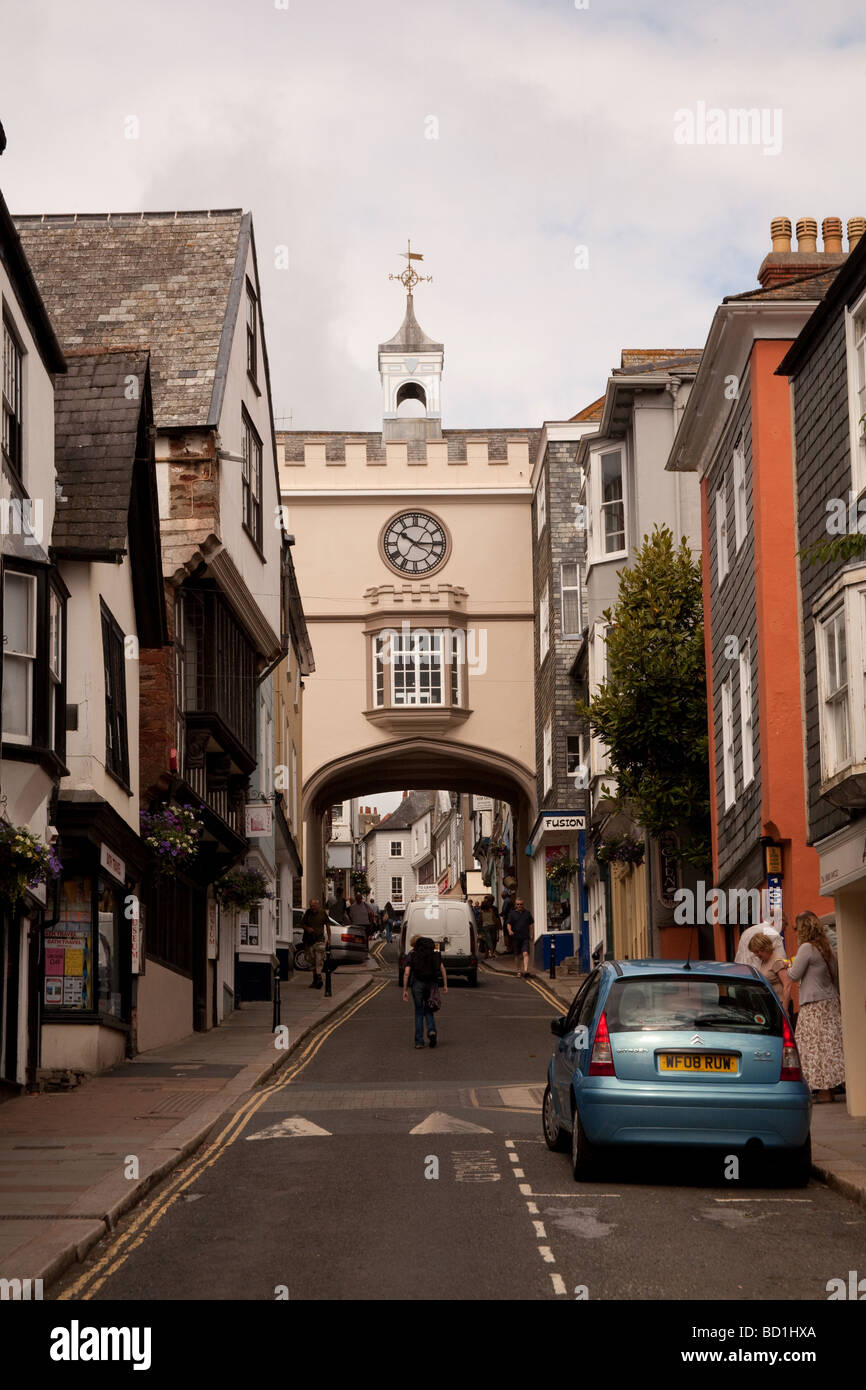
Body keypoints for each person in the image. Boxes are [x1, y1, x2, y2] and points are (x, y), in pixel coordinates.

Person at [787, 910, 845, 1103]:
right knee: (830, 1047)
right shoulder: (826, 948)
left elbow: (794, 975)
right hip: (831, 1002)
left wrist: (785, 964)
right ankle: (828, 1089)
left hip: (814, 1005)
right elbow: (835, 976)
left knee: (813, 1049)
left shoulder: (806, 948)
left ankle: (824, 1091)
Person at [403, 935, 447, 1048]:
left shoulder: (412, 954)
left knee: (418, 1012)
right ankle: (431, 1030)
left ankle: (419, 1041)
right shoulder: (434, 952)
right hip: (432, 983)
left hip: (417, 984)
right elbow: (442, 968)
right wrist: (445, 985)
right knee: (429, 1009)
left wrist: (405, 989)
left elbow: (407, 972)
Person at [748, 931, 791, 1009]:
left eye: (757, 951)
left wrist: (785, 1008)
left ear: (765, 947)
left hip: (780, 1004)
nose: (757, 955)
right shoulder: (763, 961)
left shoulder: (776, 961)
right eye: (755, 952)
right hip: (771, 1003)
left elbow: (787, 985)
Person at [300, 897, 330, 989]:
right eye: (311, 906)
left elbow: (328, 926)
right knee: (311, 961)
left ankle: (319, 978)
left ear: (318, 905)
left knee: (319, 960)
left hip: (319, 940)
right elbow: (302, 924)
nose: (312, 907)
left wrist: (329, 939)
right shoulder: (308, 913)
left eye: (314, 906)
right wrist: (307, 928)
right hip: (309, 941)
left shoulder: (322, 913)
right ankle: (315, 980)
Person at [506, 897, 534, 978]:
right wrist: (509, 931)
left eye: (521, 904)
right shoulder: (512, 913)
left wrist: (531, 934)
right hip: (516, 937)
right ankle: (518, 970)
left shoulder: (527, 913)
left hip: (525, 937)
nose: (519, 906)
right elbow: (508, 924)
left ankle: (525, 971)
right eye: (518, 904)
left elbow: (531, 925)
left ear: (523, 905)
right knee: (517, 956)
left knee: (525, 953)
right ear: (515, 905)